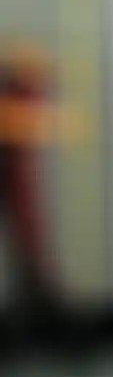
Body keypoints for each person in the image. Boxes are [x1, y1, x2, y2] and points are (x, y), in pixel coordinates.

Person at [0, 42, 60, 328]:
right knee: (28, 241)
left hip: (16, 171)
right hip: (16, 174)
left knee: (28, 243)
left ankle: (39, 303)